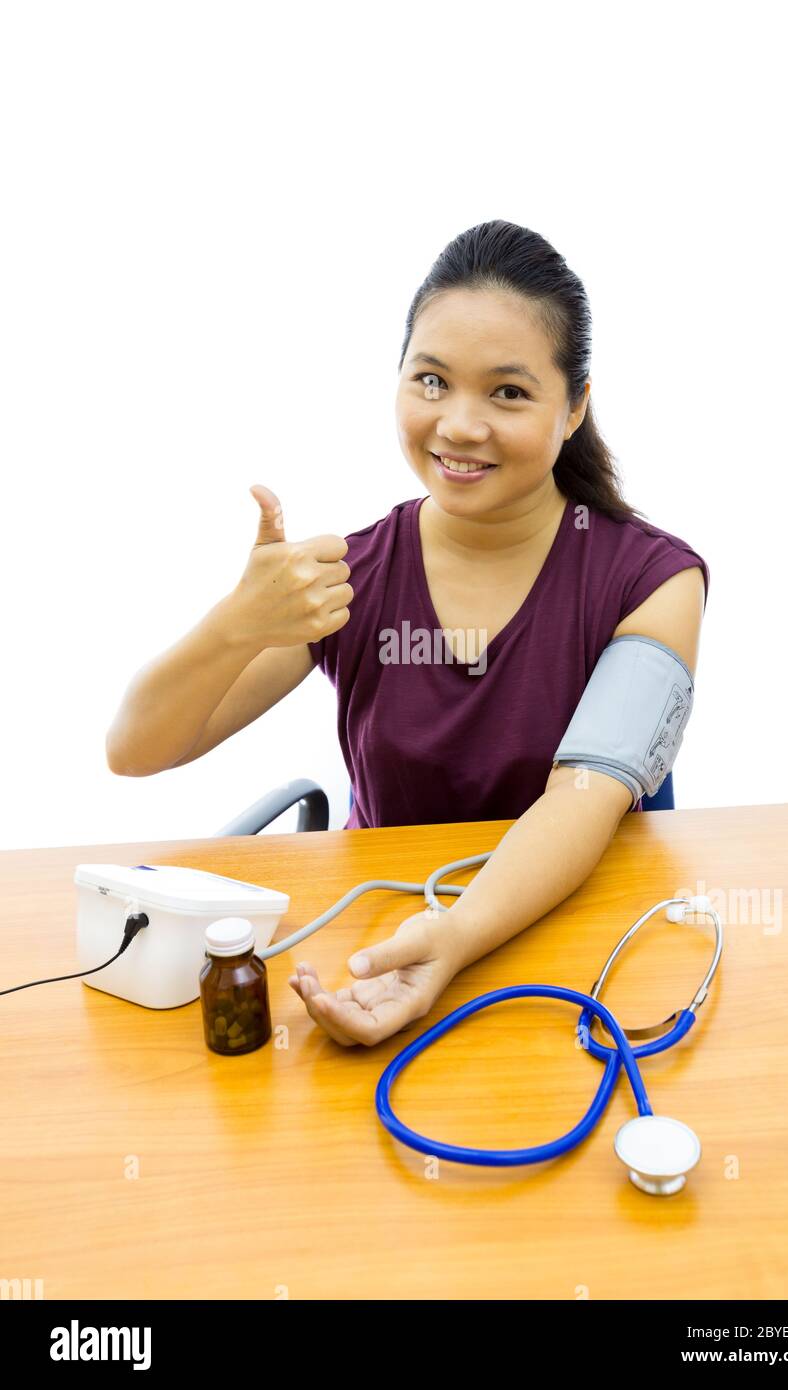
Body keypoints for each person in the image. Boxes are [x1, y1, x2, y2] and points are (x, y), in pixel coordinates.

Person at [106, 219, 709, 1049]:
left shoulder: (654, 581)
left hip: (580, 952)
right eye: (431, 381)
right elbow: (135, 749)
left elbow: (583, 798)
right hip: (389, 943)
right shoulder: (350, 575)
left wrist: (457, 941)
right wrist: (233, 626)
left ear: (574, 408)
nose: (459, 425)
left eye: (508, 392)